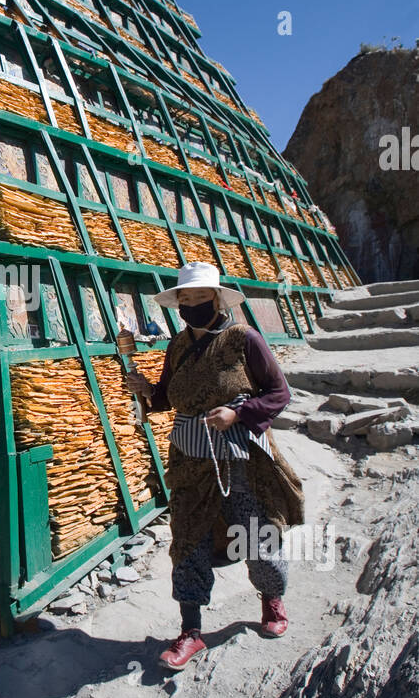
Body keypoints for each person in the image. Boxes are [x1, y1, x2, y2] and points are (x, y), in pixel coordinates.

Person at [124, 263, 304, 670]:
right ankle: (190, 631)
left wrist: (238, 415)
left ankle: (271, 601)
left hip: (238, 459)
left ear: (217, 299)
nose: (189, 305)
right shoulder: (178, 346)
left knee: (253, 533)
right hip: (189, 460)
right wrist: (147, 392)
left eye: (197, 298)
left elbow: (280, 393)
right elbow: (168, 399)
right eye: (183, 299)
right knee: (187, 538)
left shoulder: (244, 340)